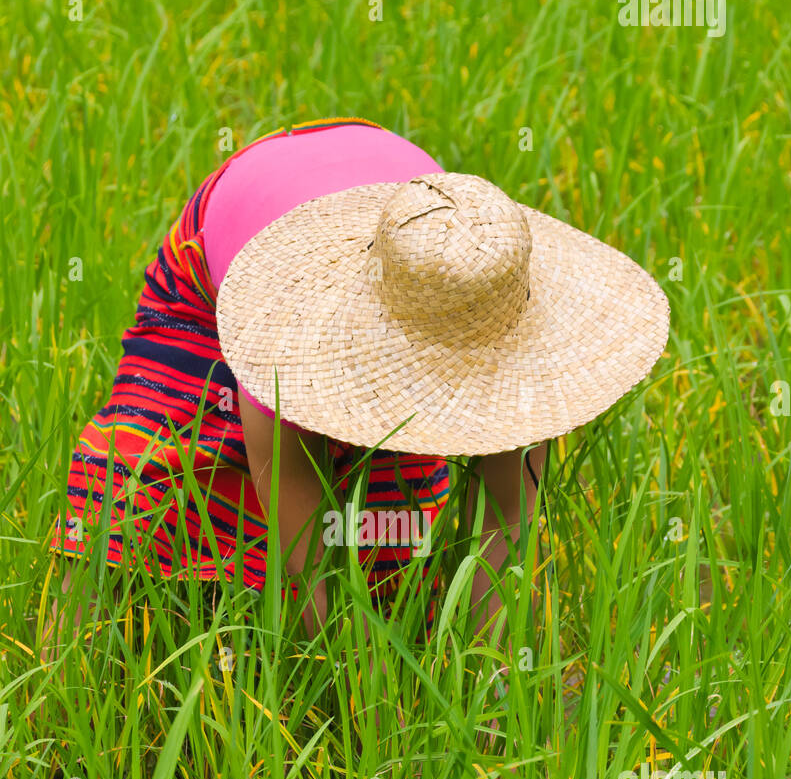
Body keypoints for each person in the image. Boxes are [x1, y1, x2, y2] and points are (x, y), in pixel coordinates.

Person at [43, 115, 668, 667]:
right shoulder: (282, 313)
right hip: (249, 232)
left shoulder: (496, 298)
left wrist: (488, 670)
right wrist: (359, 684)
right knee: (136, 469)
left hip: (411, 233)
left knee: (388, 498)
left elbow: (506, 514)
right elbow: (291, 491)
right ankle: (58, 684)